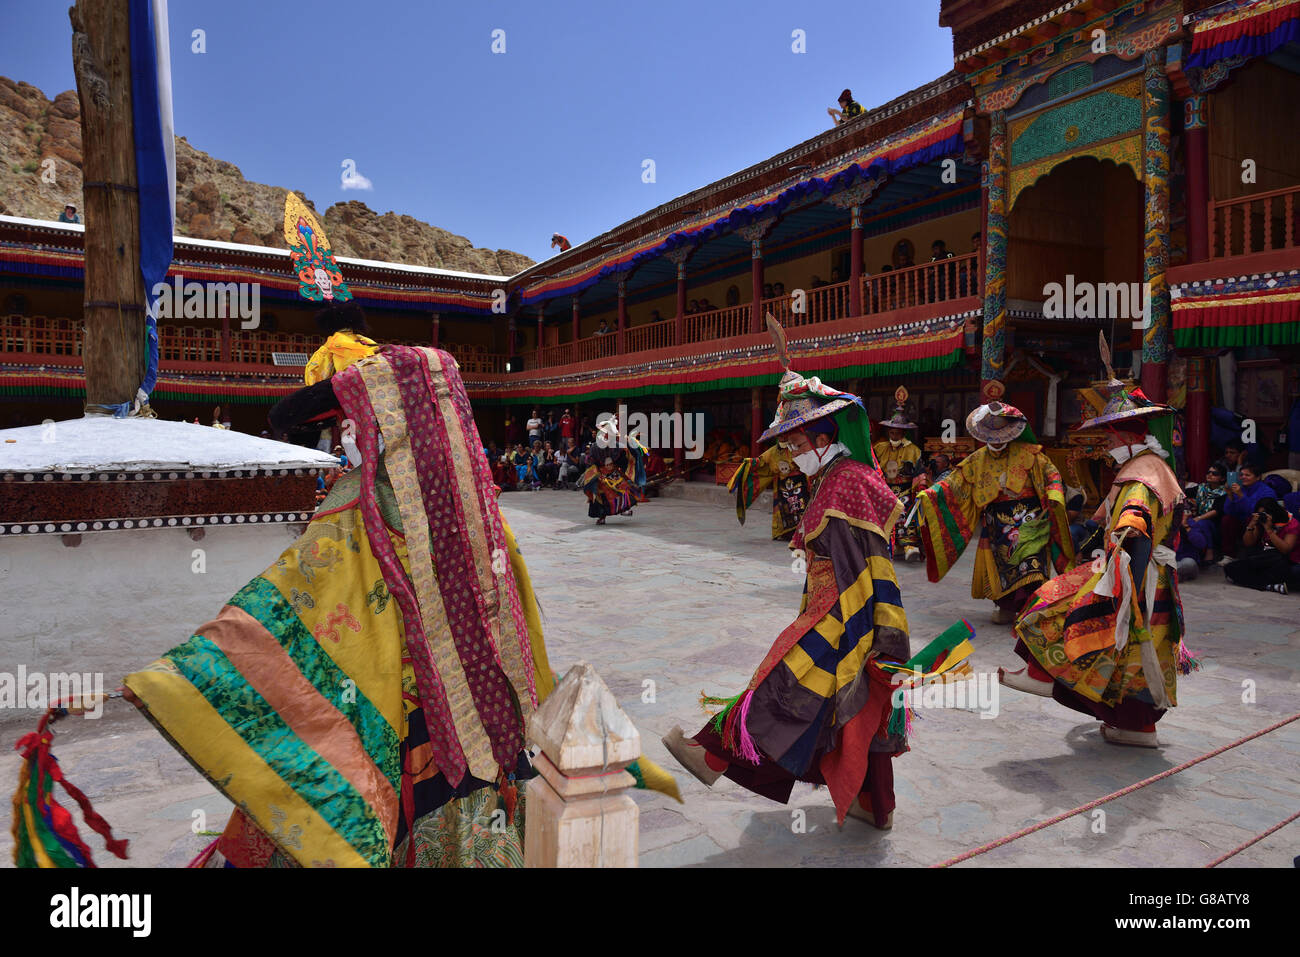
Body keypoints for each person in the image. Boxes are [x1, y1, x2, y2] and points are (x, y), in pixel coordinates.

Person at [662, 338, 964, 831]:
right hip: (840, 604)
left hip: (844, 609)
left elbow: (865, 565)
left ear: (824, 439)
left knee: (784, 680)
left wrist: (876, 632)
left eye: (796, 443)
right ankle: (874, 805)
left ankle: (711, 753)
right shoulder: (837, 474)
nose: (790, 453)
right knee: (851, 707)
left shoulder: (845, 480)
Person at [1008, 350, 1199, 748]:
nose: (1108, 443)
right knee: (1138, 651)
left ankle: (1044, 675)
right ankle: (1136, 726)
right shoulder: (1150, 467)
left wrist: (1120, 577)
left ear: (1128, 436)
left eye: (1112, 436)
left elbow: (1133, 521)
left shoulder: (1140, 477)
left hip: (1134, 575)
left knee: (1052, 602)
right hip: (1149, 576)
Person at [917, 389, 1073, 624]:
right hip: (997, 523)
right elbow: (954, 483)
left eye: (1001, 435)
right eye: (991, 435)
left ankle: (1031, 608)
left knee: (1032, 563)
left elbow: (1051, 473)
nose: (996, 440)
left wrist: (1054, 493)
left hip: (1030, 519)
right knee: (1001, 567)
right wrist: (932, 493)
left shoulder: (1030, 453)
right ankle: (1008, 609)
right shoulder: (977, 459)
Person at [873, 387, 923, 561]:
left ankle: (910, 545)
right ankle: (889, 546)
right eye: (892, 432)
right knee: (884, 516)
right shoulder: (879, 448)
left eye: (898, 432)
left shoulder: (913, 450)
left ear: (904, 432)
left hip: (905, 490)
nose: (894, 435)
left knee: (906, 517)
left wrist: (919, 487)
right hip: (885, 488)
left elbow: (919, 473)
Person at [727, 443, 811, 540]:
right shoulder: (773, 451)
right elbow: (762, 461)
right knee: (783, 509)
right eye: (779, 436)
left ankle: (802, 532)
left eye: (783, 436)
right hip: (782, 485)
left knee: (800, 507)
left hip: (799, 483)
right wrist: (750, 462)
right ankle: (785, 533)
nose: (781, 438)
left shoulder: (796, 447)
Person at [1225, 498, 1299, 595]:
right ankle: (1270, 586)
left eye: (1266, 513)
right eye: (1261, 514)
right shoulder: (1261, 523)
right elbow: (1248, 543)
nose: (1264, 516)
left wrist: (1269, 530)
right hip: (1264, 559)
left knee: (1291, 570)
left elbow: (1285, 550)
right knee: (1229, 568)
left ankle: (1257, 582)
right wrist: (1251, 525)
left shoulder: (1292, 523)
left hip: (1285, 561)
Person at [1222, 463, 1276, 557]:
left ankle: (1251, 554)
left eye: (1247, 475)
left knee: (1251, 520)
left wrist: (1241, 496)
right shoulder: (1240, 488)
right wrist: (1230, 495)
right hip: (1241, 522)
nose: (1243, 477)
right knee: (1227, 519)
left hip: (1259, 524)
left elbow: (1256, 513)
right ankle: (1229, 555)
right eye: (1241, 475)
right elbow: (1228, 511)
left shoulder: (1266, 491)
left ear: (1258, 477)